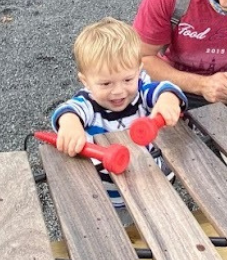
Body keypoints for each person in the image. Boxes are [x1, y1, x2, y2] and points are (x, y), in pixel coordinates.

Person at [50, 17, 186, 210]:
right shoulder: (88, 103)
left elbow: (164, 89)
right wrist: (70, 124)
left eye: (127, 79)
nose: (118, 91)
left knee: (162, 216)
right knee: (119, 229)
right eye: (106, 83)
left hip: (153, 177)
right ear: (85, 81)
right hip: (109, 191)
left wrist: (169, 99)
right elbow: (69, 110)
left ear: (138, 71)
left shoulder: (141, 89)